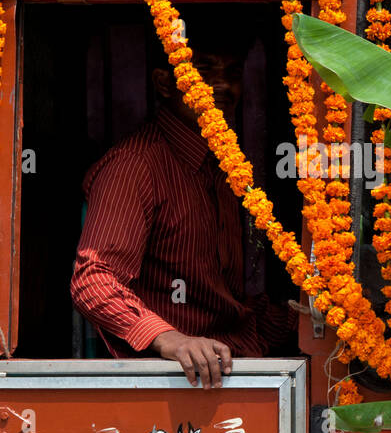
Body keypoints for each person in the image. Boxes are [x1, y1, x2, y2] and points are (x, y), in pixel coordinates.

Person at [71, 34, 297, 389]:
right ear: (164, 83)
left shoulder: (223, 165)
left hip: (238, 363)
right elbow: (94, 280)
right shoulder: (134, 166)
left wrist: (312, 316)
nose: (222, 85)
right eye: (204, 70)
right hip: (174, 383)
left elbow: (222, 301)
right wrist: (171, 339)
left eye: (233, 72)